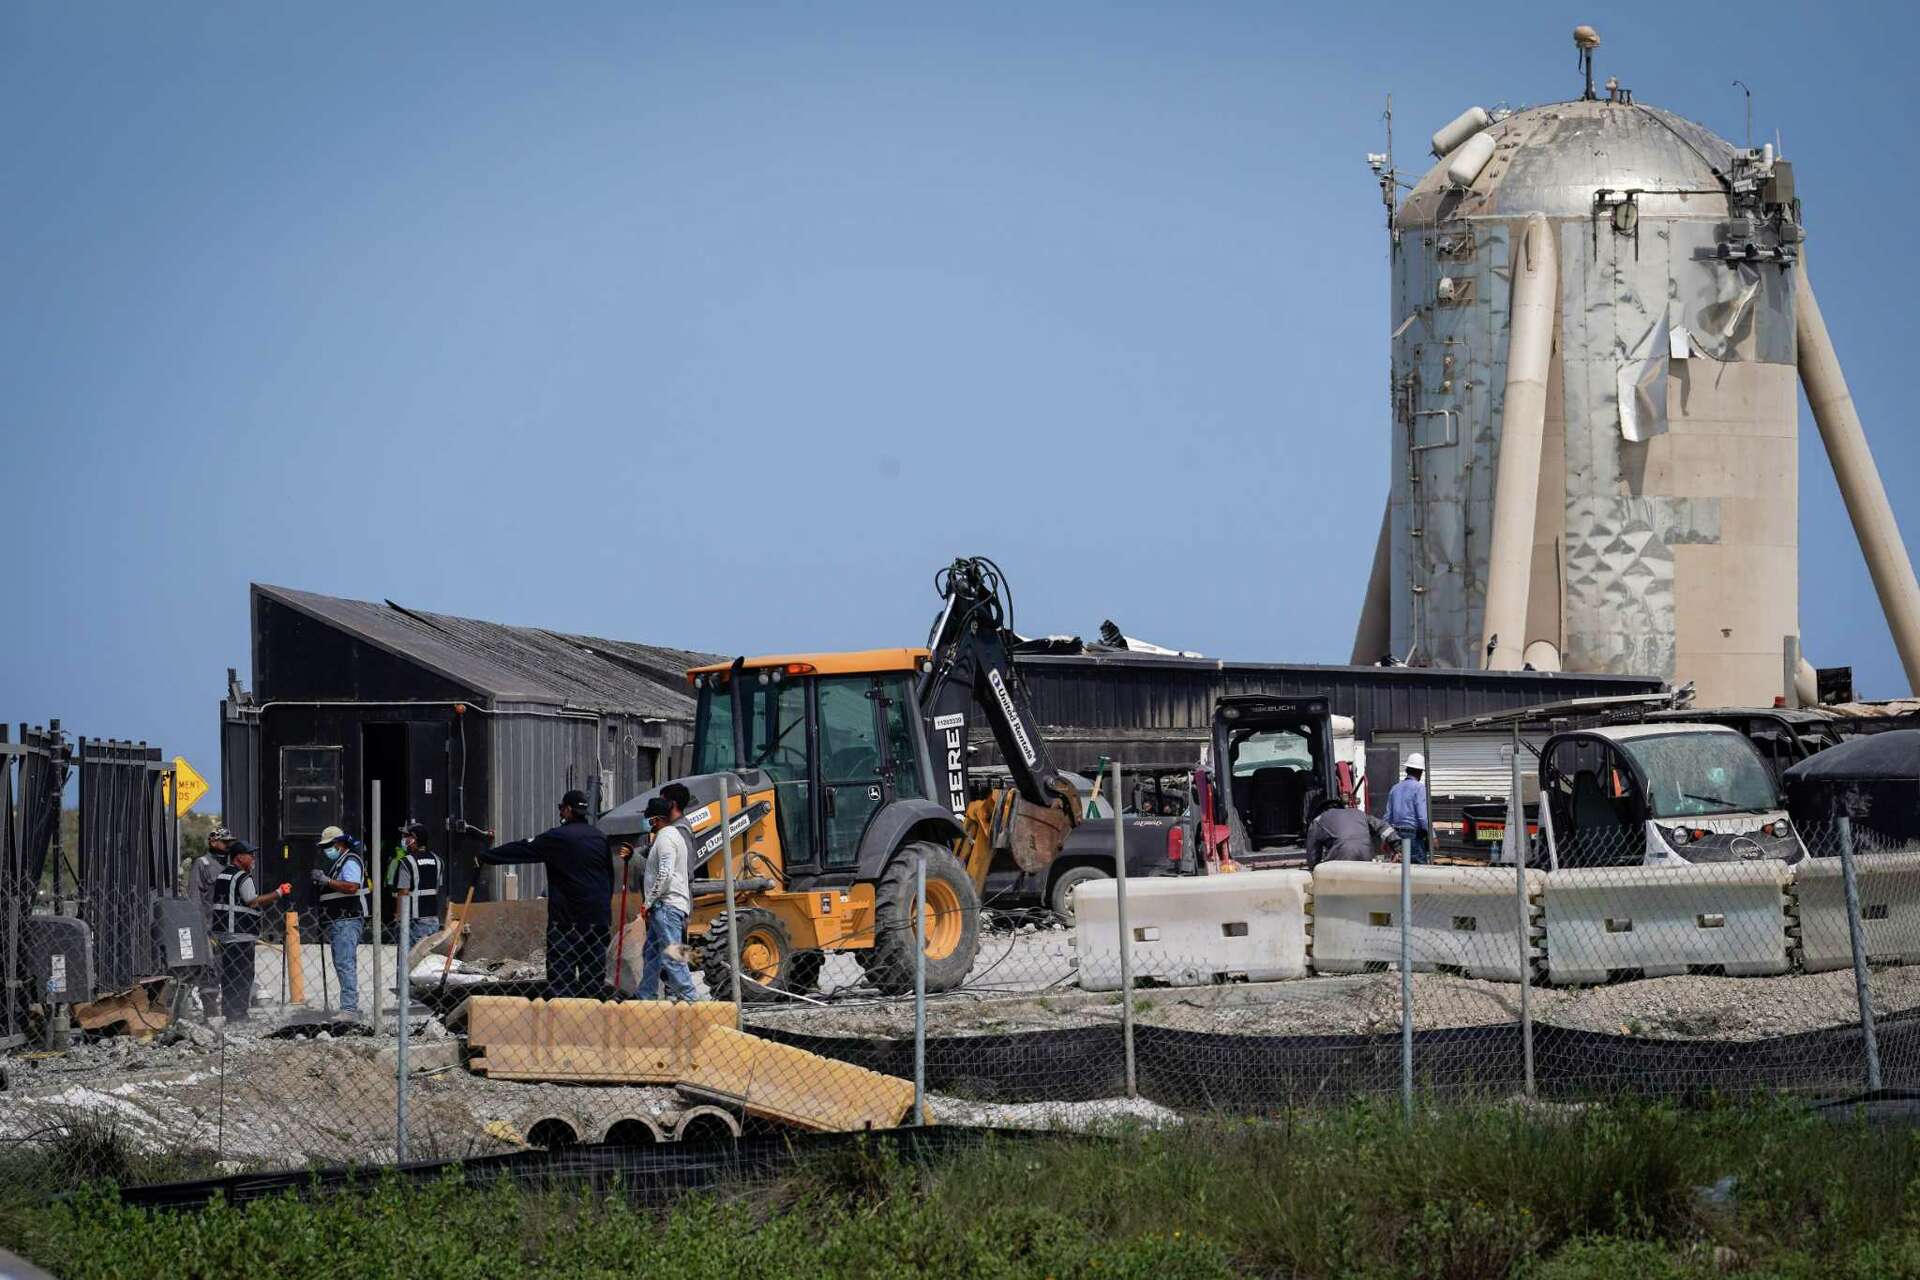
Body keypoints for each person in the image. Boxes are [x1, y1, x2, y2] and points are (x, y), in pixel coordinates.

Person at [476, 790, 613, 999]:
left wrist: (486, 856)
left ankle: (562, 1024)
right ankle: (591, 1024)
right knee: (593, 982)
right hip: (598, 920)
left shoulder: (558, 837)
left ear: (568, 809)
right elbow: (609, 878)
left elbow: (522, 849)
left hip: (567, 923)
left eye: (561, 807)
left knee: (562, 981)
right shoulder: (600, 838)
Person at [210, 840, 289, 1022]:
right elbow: (252, 901)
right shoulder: (243, 877)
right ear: (239, 857)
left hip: (224, 933)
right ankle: (239, 1014)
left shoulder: (223, 875)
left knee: (229, 976)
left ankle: (230, 1012)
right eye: (250, 855)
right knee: (243, 976)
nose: (253, 858)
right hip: (240, 934)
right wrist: (279, 892)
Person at [637, 795, 696, 1001]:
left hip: (666, 906)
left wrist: (648, 902)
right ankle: (645, 995)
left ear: (655, 820)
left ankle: (692, 1001)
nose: (646, 823)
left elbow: (665, 874)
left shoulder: (665, 839)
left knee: (673, 956)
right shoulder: (673, 836)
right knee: (651, 953)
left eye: (648, 819)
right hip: (666, 906)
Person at [312, 825, 369, 1013]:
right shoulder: (340, 862)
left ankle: (349, 1008)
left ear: (339, 844)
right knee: (342, 963)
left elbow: (351, 887)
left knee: (345, 963)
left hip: (347, 919)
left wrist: (326, 881)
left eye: (329, 845)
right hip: (338, 921)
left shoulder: (350, 861)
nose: (326, 850)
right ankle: (349, 1006)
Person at [184, 827, 234, 1016]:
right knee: (211, 969)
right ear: (213, 842)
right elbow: (195, 898)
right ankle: (211, 1012)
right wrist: (202, 929)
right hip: (210, 926)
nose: (228, 845)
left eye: (230, 842)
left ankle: (230, 1010)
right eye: (225, 842)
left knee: (228, 968)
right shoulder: (202, 864)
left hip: (229, 926)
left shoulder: (231, 866)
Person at [1304, 798, 1403, 869]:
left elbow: (1312, 852)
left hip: (1340, 861)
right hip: (1366, 857)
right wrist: (1398, 848)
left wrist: (1314, 868)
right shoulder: (1359, 813)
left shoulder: (1319, 820)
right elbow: (1383, 827)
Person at [389, 820, 441, 951]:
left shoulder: (407, 862)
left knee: (406, 964)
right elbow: (437, 888)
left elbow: (403, 892)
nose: (404, 839)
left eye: (406, 836)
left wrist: (398, 918)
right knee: (424, 963)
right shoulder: (438, 860)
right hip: (433, 921)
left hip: (413, 923)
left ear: (414, 839)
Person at [1385, 754, 1431, 864]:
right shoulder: (1419, 788)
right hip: (1413, 836)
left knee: (1400, 870)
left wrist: (1386, 838)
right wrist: (1432, 835)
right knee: (1418, 870)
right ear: (1420, 772)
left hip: (1396, 836)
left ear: (1407, 770)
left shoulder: (1395, 788)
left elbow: (1387, 817)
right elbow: (1423, 817)